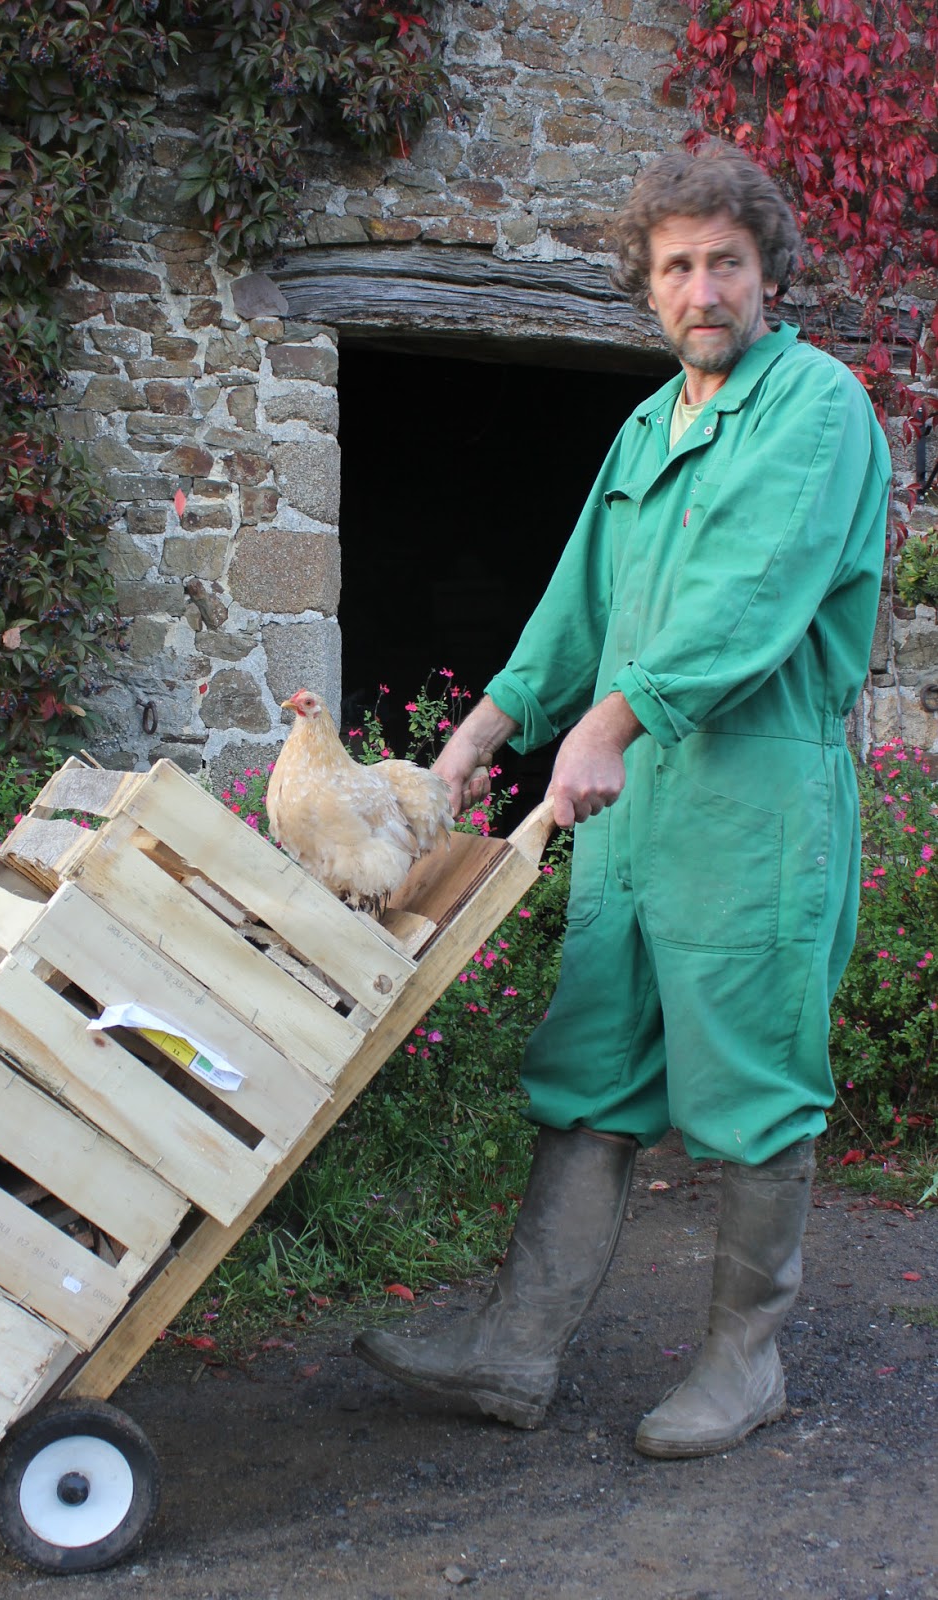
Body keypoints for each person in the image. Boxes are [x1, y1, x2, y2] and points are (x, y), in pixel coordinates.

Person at [354, 142, 891, 1459]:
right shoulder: (647, 426)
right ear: (645, 290)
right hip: (633, 812)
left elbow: (747, 602)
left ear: (766, 273)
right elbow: (576, 609)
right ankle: (511, 1351)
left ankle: (739, 1363)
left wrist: (603, 725)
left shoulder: (813, 409)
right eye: (675, 267)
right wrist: (474, 739)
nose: (701, 288)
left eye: (723, 262)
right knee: (588, 1071)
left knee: (752, 1089)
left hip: (753, 803)